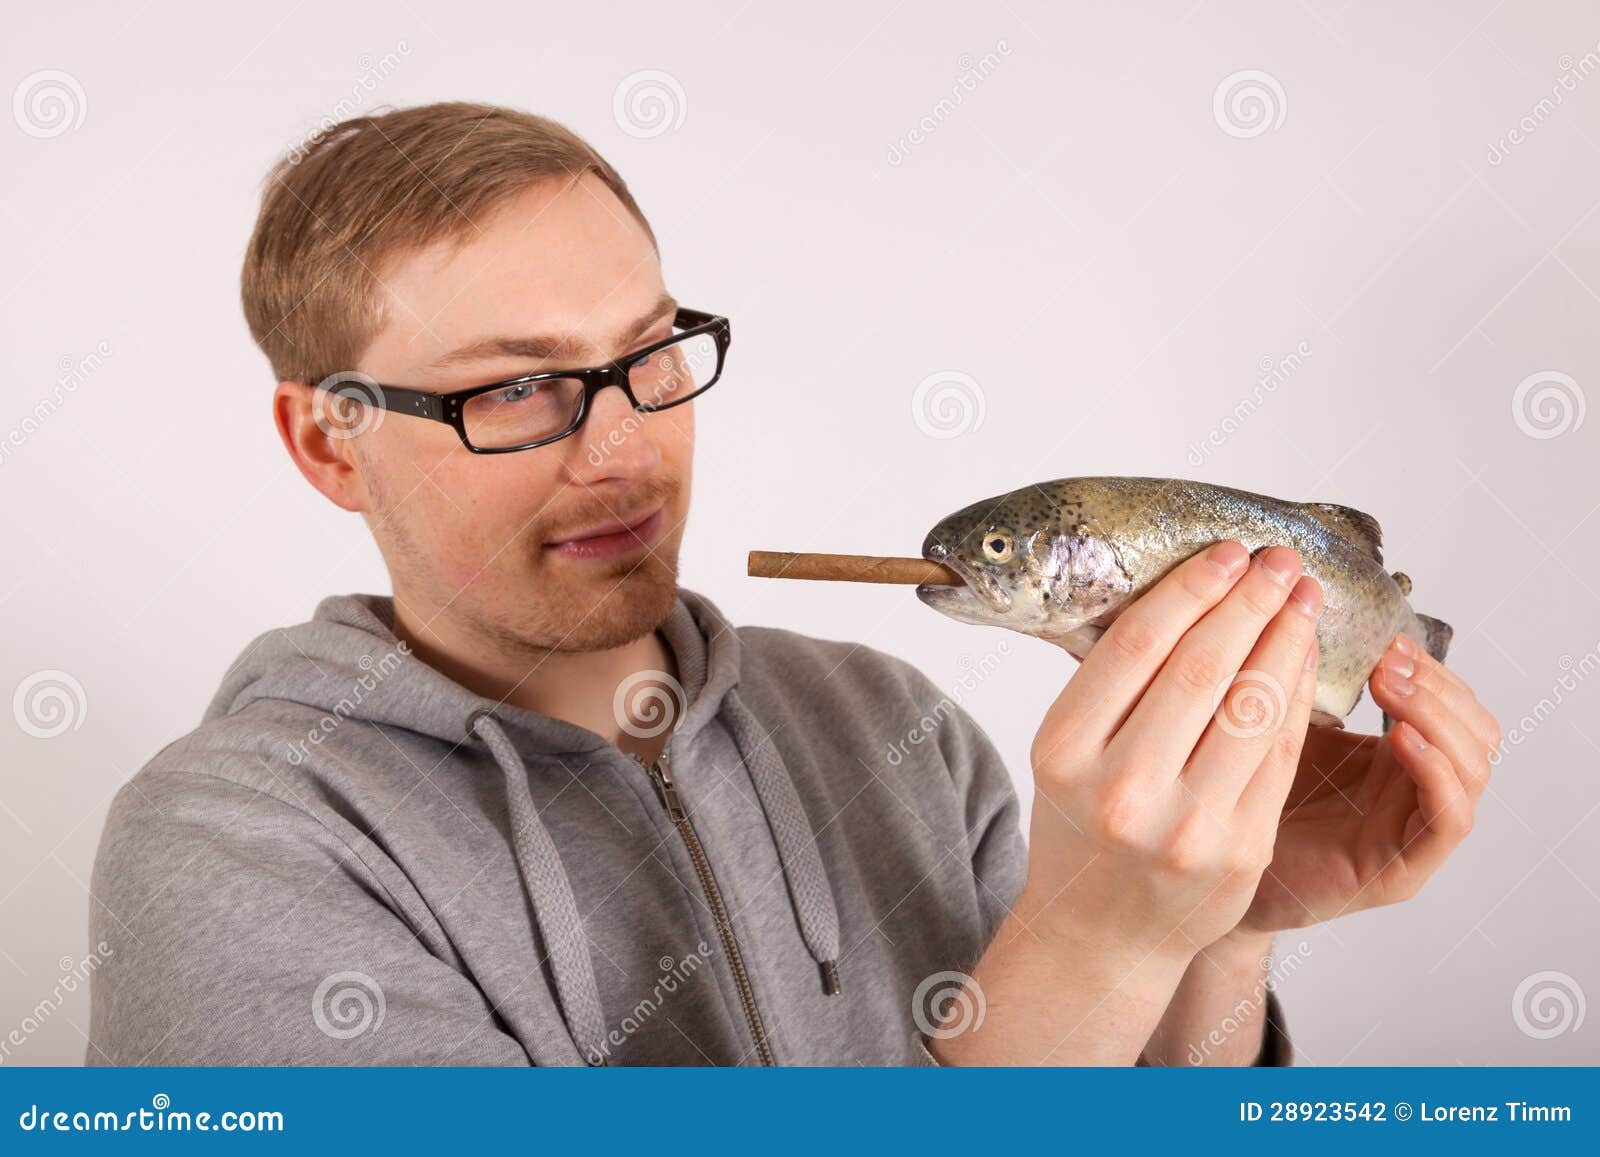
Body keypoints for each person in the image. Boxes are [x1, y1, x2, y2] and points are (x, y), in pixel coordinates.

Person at [86, 102, 1500, 1066]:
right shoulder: (232, 847)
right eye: (515, 387)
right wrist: (1089, 938)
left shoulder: (895, 724)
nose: (624, 451)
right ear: (329, 441)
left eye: (650, 353)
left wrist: (1209, 931)